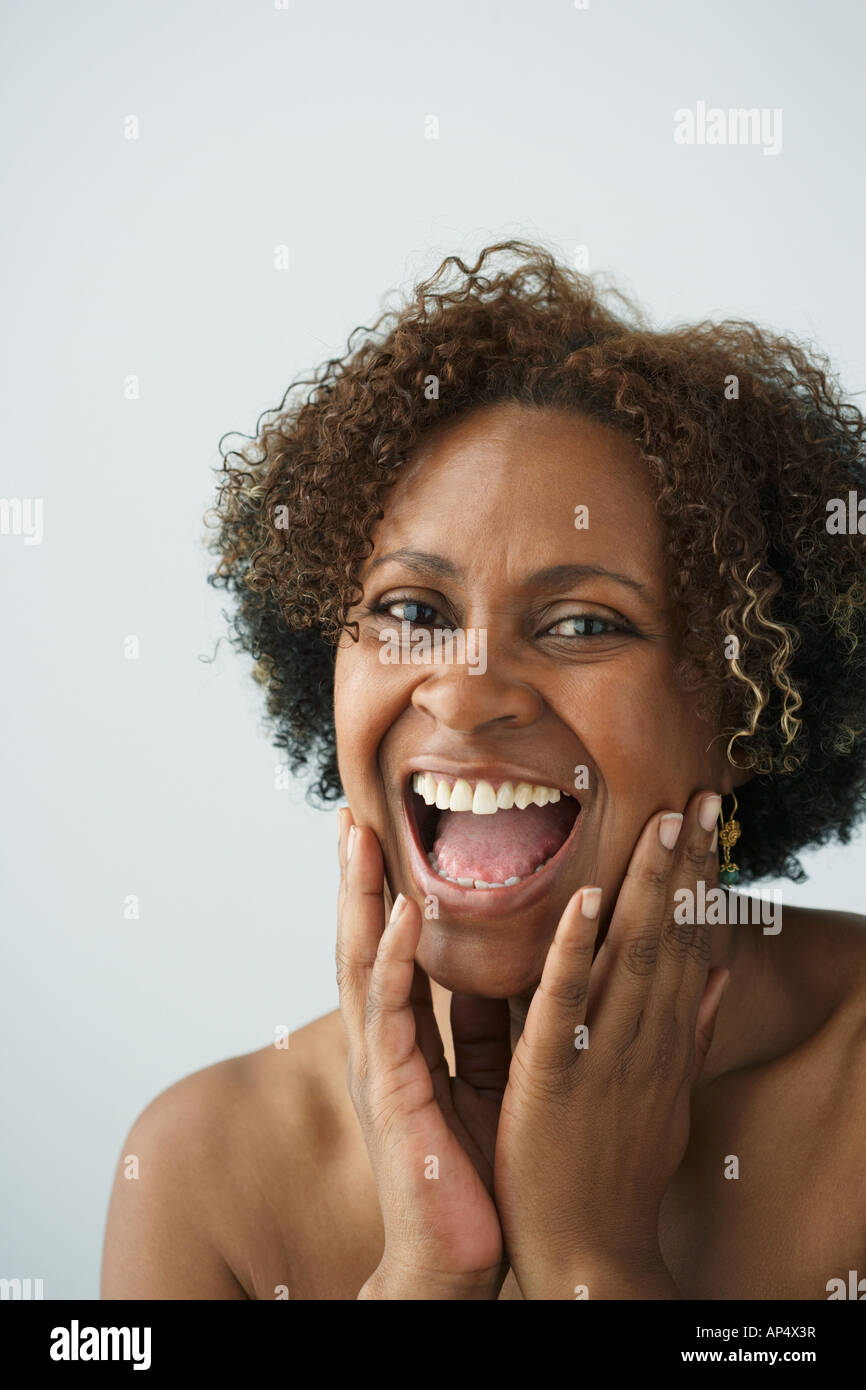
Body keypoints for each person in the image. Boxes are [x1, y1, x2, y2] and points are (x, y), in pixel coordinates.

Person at [101, 242, 866, 1299]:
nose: (464, 692)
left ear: (739, 712)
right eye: (411, 612)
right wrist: (423, 1274)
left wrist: (588, 1256)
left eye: (582, 622)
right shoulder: (202, 1172)